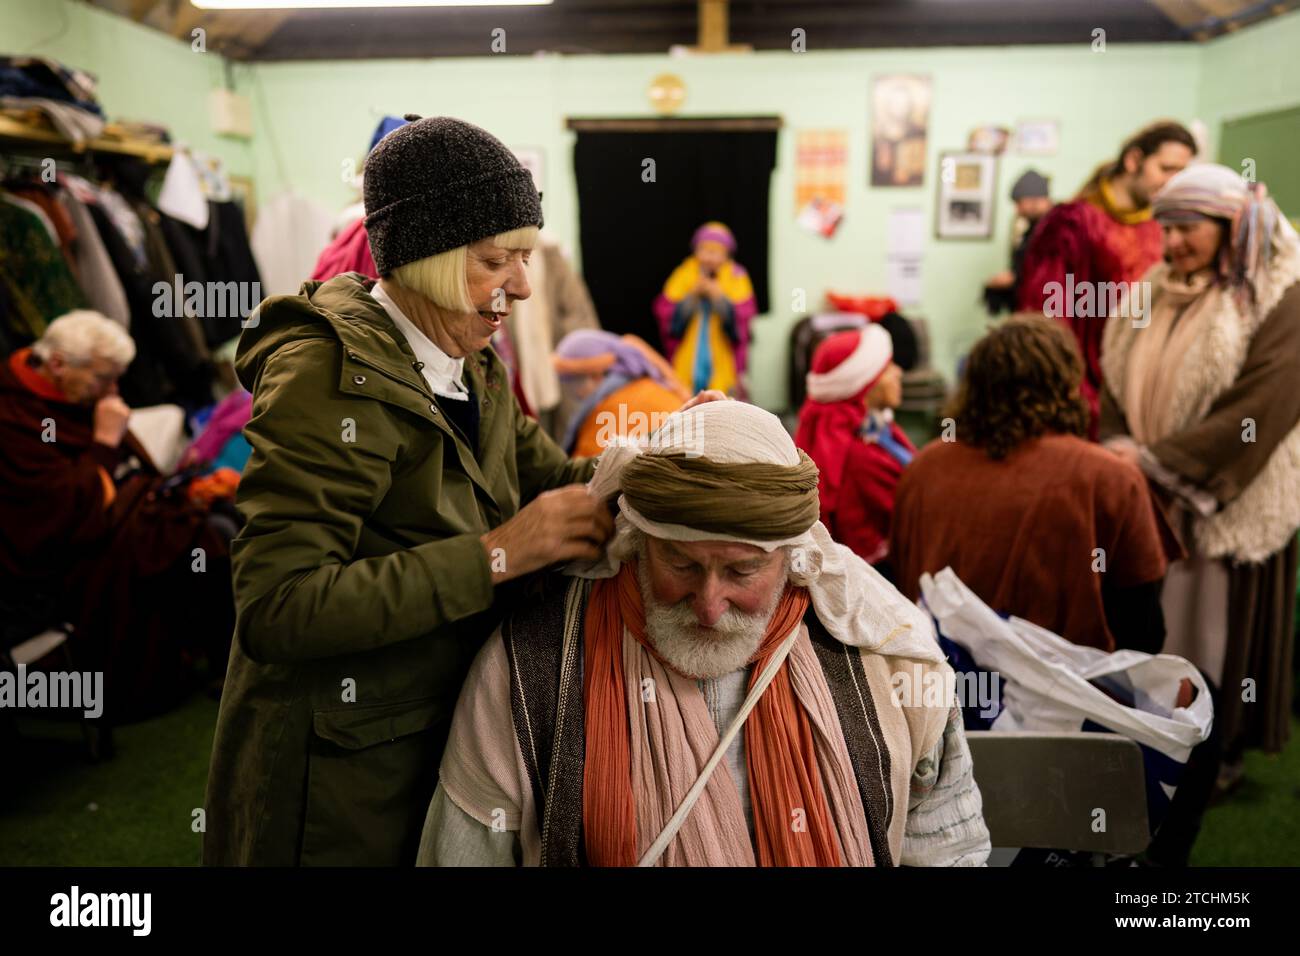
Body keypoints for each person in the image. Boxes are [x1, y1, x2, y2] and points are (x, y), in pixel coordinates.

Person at [202, 115, 721, 866]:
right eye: (496, 261)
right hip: (339, 774)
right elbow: (278, 606)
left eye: (524, 257)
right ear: (429, 256)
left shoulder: (469, 363)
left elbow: (554, 482)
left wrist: (665, 454)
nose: (524, 285)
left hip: (436, 733)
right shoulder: (324, 375)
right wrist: (497, 557)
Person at [417, 401, 991, 867]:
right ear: (638, 542)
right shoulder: (531, 671)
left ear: (794, 558)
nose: (710, 605)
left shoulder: (891, 664)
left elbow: (947, 850)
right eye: (682, 566)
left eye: (742, 571)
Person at [1100, 163, 1300, 787]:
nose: (1175, 244)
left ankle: (1215, 758)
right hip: (1146, 486)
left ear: (1231, 227)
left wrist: (1159, 462)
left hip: (1228, 494)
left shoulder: (1278, 296)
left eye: (1189, 229)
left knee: (1210, 629)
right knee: (1157, 628)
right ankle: (1156, 740)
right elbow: (1112, 372)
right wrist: (1116, 445)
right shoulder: (1153, 290)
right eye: (1168, 230)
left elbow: (1262, 404)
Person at [0, 310, 233, 718]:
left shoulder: (69, 391)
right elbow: (57, 514)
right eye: (103, 378)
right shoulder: (12, 416)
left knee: (217, 511)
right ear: (57, 364)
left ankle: (234, 653)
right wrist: (106, 441)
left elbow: (131, 476)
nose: (112, 390)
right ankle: (212, 665)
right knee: (200, 535)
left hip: (115, 517)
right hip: (64, 558)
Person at [891, 314, 1169, 653]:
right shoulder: (1111, 479)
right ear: (1067, 385)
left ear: (974, 386)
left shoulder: (923, 470)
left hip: (938, 686)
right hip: (1068, 695)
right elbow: (1144, 631)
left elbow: (899, 589)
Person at [1018, 121, 1197, 435]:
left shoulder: (1163, 226)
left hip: (1143, 392)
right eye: (1166, 168)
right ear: (1133, 161)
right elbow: (1045, 316)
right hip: (1082, 393)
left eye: (1182, 172)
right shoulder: (1072, 221)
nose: (1174, 181)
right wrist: (1070, 393)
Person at [794, 325, 912, 565]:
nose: (898, 372)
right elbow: (914, 516)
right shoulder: (861, 456)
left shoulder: (875, 428)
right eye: (888, 368)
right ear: (865, 384)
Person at [653, 221, 758, 396]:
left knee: (721, 397)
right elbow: (667, 313)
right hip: (688, 352)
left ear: (727, 254)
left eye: (715, 251)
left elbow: (743, 319)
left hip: (723, 355)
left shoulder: (736, 276)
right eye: (704, 250)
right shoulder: (684, 273)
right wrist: (692, 296)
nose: (709, 257)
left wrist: (719, 298)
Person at [552, 329, 689, 457]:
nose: (572, 392)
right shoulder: (651, 386)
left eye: (571, 382)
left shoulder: (610, 409)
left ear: (595, 375)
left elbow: (587, 470)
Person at [983, 169, 1053, 314]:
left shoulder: (1055, 230)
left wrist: (1014, 279)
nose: (1018, 210)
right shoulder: (1032, 229)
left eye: (1019, 203)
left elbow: (1047, 274)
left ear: (1034, 200)